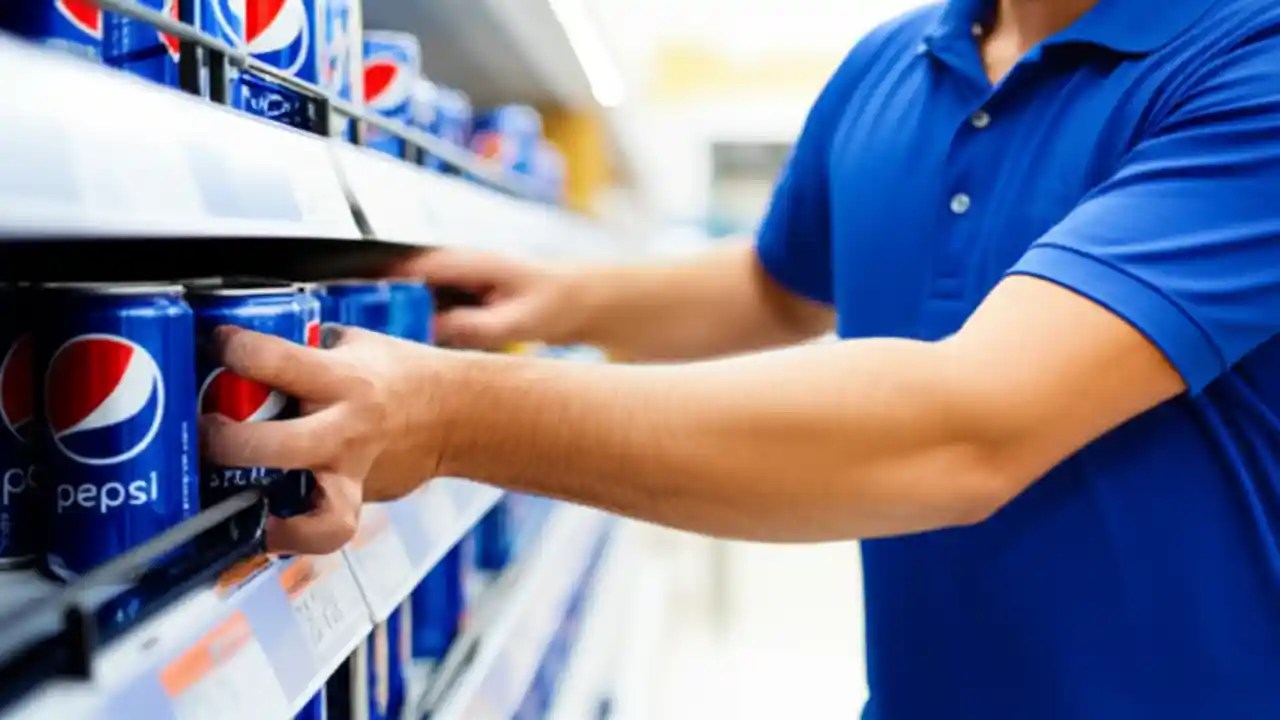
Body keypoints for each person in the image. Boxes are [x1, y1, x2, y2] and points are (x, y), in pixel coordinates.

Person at [202, 0, 1280, 716]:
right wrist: (565, 295)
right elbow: (779, 281)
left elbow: (967, 427)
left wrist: (453, 417)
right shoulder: (894, 62)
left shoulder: (1251, 60)